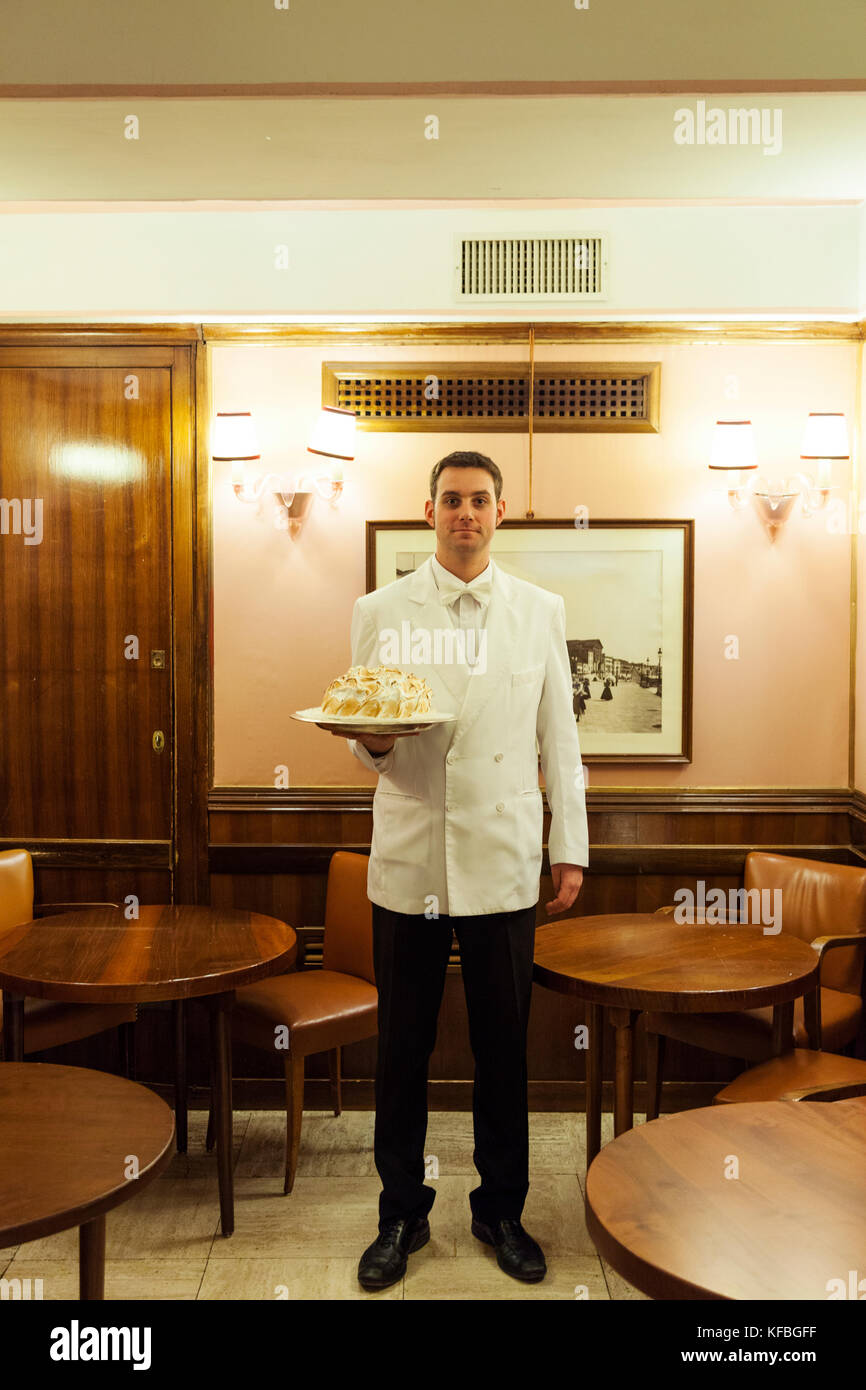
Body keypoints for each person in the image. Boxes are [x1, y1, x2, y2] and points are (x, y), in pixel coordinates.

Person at [330, 450, 588, 1292]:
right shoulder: (379, 608)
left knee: (501, 1050)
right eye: (452, 500)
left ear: (502, 512)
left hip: (505, 861)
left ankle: (500, 1210)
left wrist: (569, 847)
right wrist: (369, 742)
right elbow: (371, 726)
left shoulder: (540, 610)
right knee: (400, 1049)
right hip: (409, 859)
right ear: (428, 511)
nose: (466, 513)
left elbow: (561, 741)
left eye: (480, 500)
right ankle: (400, 1213)